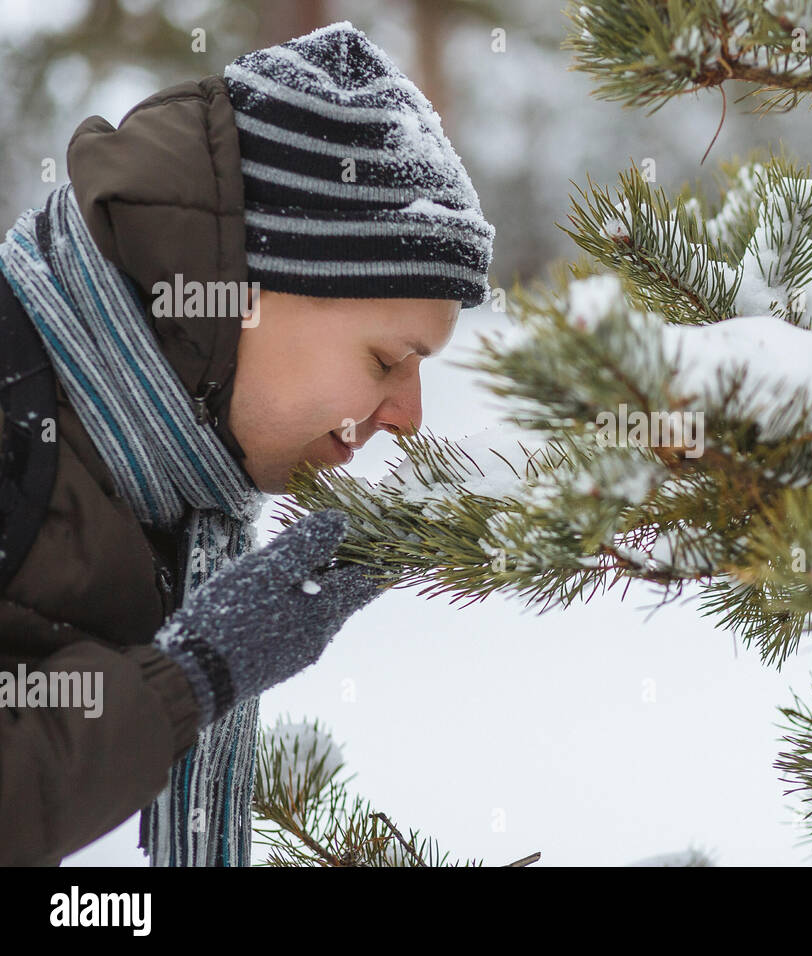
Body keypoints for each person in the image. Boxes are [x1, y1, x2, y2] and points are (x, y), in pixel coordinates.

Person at [0, 20, 495, 866]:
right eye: (387, 358)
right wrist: (193, 673)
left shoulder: (152, 471)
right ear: (247, 290)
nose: (408, 416)